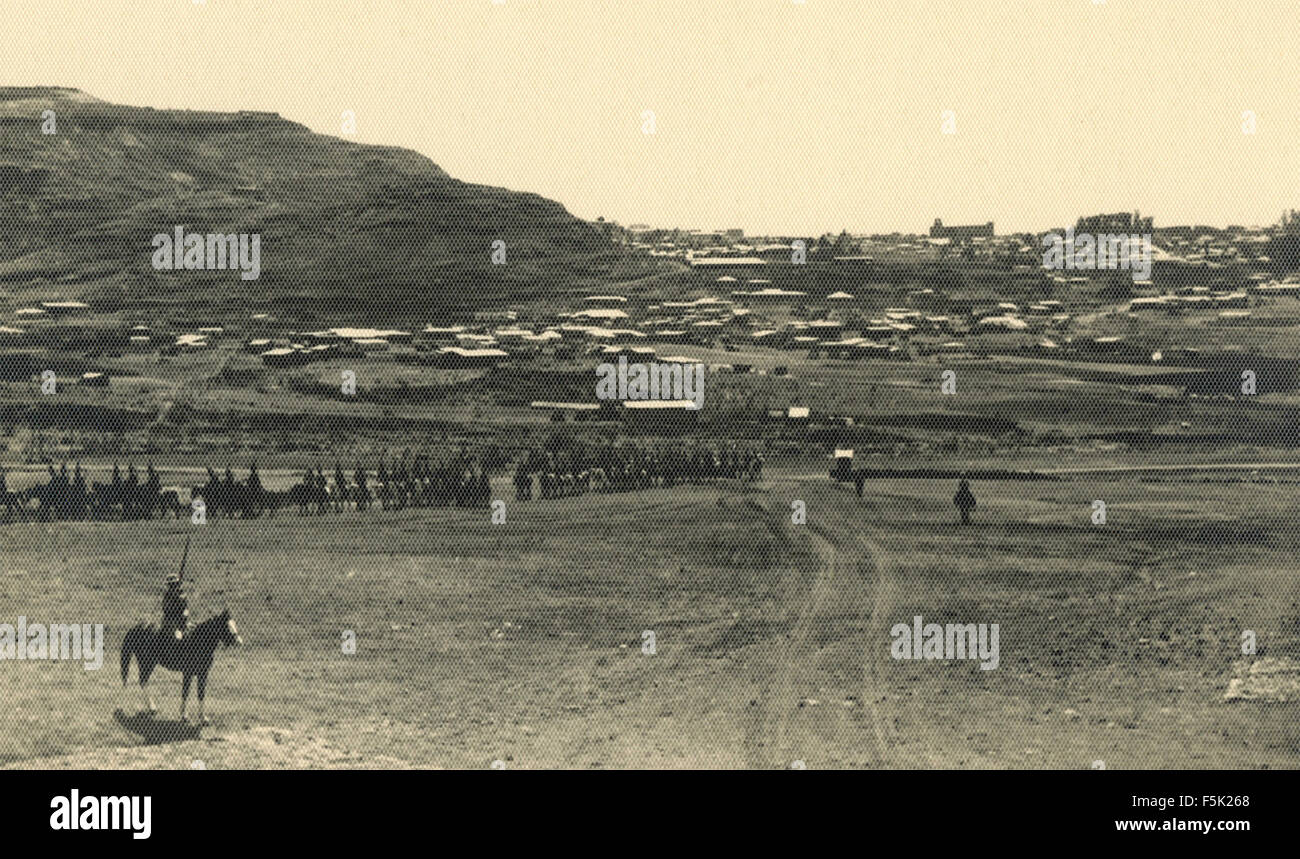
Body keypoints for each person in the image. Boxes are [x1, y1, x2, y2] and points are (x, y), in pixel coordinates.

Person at [161, 572, 190, 640]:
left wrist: (185, 614)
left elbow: (186, 607)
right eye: (171, 585)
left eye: (174, 584)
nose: (173, 587)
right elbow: (166, 609)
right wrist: (174, 600)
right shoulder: (167, 596)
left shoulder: (182, 595)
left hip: (183, 622)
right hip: (170, 623)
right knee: (177, 637)